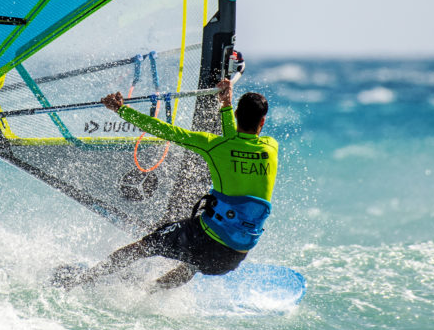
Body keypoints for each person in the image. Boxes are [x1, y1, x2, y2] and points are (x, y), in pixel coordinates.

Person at [53, 77, 278, 291]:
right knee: (192, 264)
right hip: (233, 256)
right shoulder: (271, 148)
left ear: (237, 115)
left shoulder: (213, 146)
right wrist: (226, 105)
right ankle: (151, 293)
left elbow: (164, 130)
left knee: (145, 246)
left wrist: (121, 110)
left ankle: (81, 280)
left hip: (206, 239)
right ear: (262, 121)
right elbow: (235, 142)